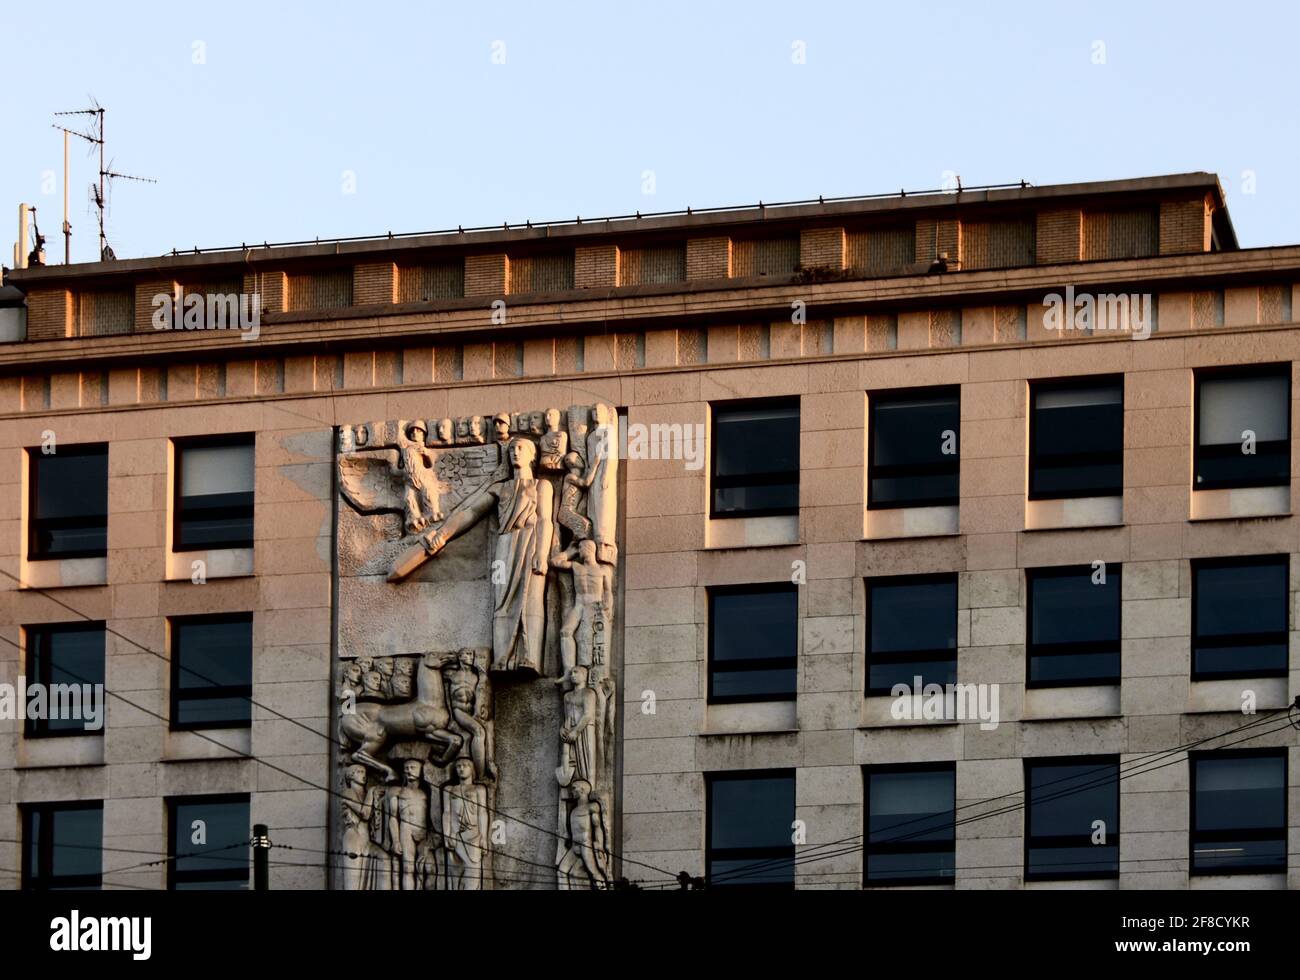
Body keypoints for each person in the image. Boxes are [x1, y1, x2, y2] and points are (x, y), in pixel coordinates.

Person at [442, 758, 487, 890]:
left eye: (465, 766)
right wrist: (447, 834)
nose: (461, 768)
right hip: (455, 834)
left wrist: (484, 836)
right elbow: (447, 812)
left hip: (474, 834)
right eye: (458, 766)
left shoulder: (479, 789)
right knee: (455, 871)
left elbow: (482, 812)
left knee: (473, 868)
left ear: (471, 769)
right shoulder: (449, 789)